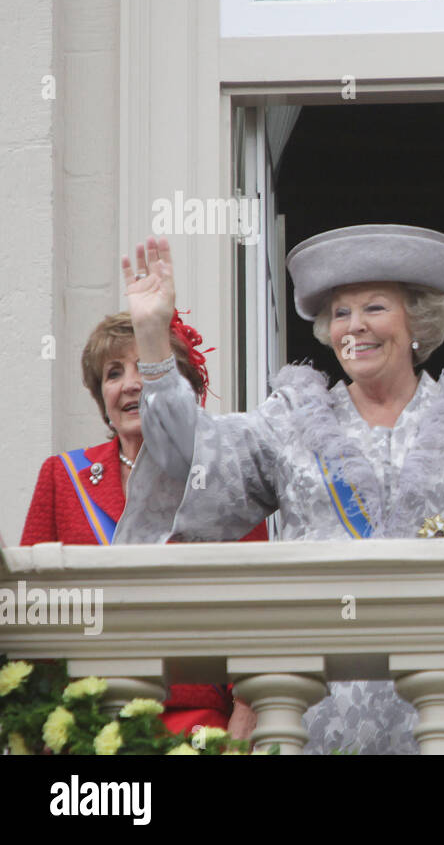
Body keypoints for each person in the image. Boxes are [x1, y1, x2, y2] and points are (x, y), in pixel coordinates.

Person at [114, 229, 444, 754]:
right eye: (340, 313)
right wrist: (153, 339)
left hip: (438, 687)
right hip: (317, 692)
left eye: (374, 308)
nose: (354, 327)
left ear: (418, 320)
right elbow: (191, 455)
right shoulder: (294, 416)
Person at [20, 310, 266, 734]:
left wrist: (246, 712)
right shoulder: (63, 477)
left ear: (179, 393)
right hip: (83, 722)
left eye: (144, 369)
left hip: (197, 725)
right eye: (113, 373)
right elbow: (28, 609)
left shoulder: (222, 481)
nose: (130, 384)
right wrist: (32, 718)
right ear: (102, 396)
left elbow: (256, 609)